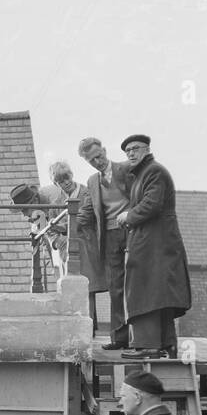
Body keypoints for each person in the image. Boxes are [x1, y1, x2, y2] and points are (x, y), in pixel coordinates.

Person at [116, 135, 192, 359]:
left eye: (135, 148)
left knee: (146, 289)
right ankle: (166, 344)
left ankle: (148, 346)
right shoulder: (145, 173)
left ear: (147, 149)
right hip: (154, 241)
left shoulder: (153, 172)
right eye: (127, 150)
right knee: (158, 292)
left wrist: (128, 216)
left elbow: (152, 204)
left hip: (155, 242)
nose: (130, 153)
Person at [76, 137, 131, 347]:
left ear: (105, 151)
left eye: (99, 156)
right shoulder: (92, 182)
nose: (98, 162)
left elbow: (138, 197)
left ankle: (140, 337)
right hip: (109, 237)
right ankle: (119, 338)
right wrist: (68, 227)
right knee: (115, 286)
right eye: (92, 160)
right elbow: (87, 212)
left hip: (132, 231)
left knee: (135, 284)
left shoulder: (126, 169)